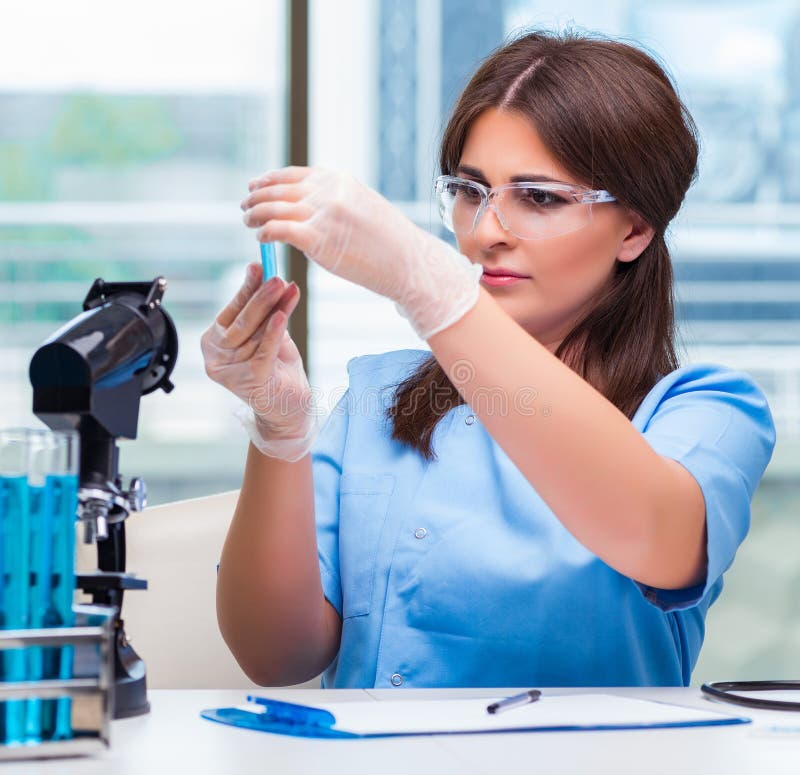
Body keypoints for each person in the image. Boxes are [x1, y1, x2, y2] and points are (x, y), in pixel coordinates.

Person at [201, 29, 775, 689]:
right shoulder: (381, 396)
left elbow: (658, 536)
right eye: (471, 191)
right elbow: (275, 655)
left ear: (637, 228)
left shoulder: (710, 412)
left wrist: (427, 282)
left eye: (540, 197)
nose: (485, 231)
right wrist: (278, 431)